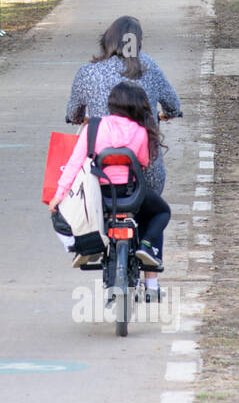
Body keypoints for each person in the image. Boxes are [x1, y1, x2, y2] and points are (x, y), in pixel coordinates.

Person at [49, 81, 171, 286]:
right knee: (161, 212)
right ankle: (146, 245)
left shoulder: (93, 128)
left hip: (98, 194)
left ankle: (83, 246)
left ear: (111, 103)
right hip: (131, 194)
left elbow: (74, 163)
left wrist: (59, 195)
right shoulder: (140, 132)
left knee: (63, 216)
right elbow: (144, 161)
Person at [65, 15, 181, 195]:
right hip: (145, 171)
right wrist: (167, 113)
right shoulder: (149, 67)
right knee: (155, 212)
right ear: (138, 42)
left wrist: (83, 118)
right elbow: (173, 105)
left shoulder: (87, 72)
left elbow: (73, 115)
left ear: (107, 39)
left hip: (98, 171)